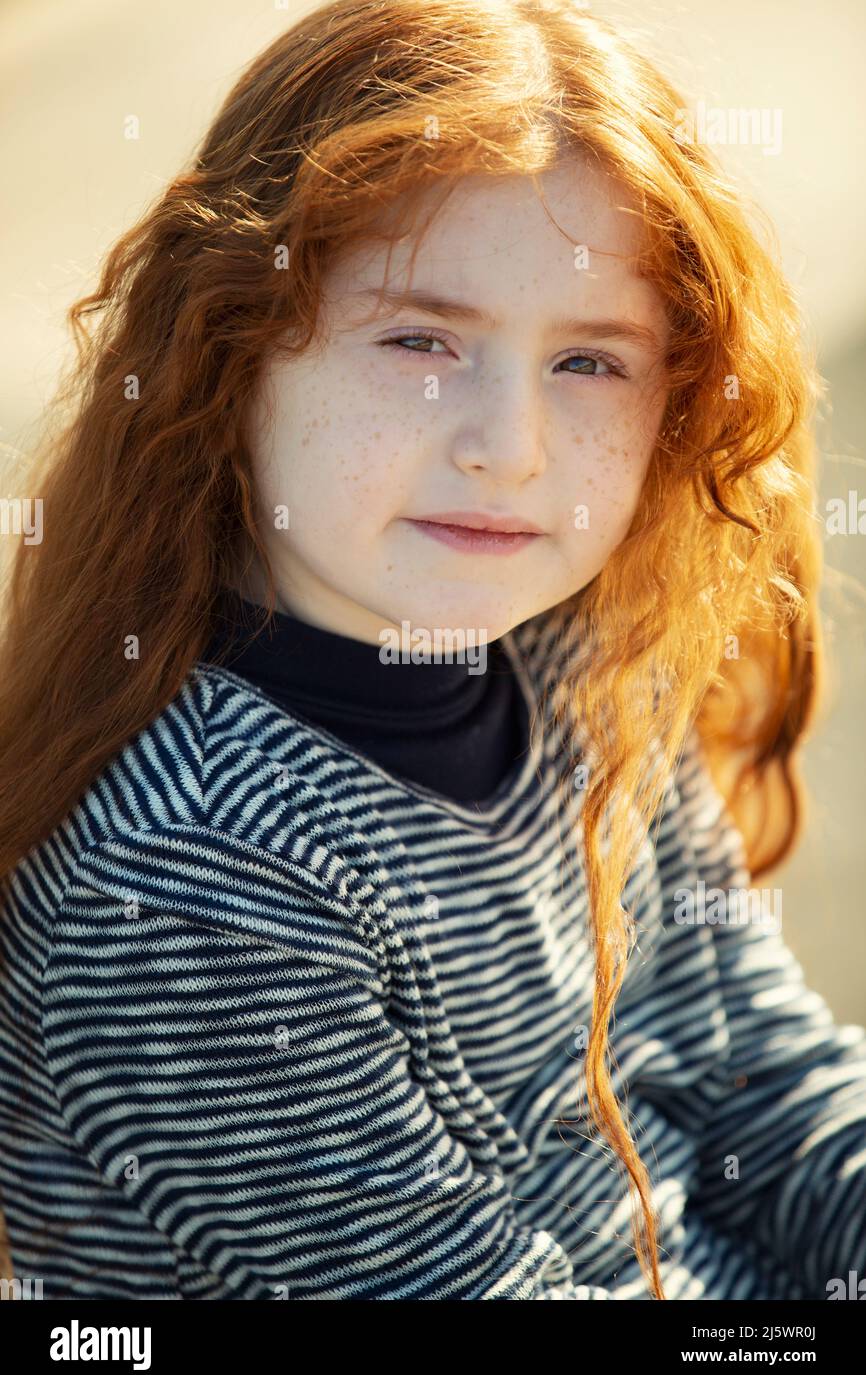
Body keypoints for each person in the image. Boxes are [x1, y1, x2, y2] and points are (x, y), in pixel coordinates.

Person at [0, 0, 864, 1301]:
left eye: (587, 359)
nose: (506, 443)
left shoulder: (584, 667)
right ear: (225, 352)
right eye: (419, 341)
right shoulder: (193, 882)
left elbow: (762, 1082)